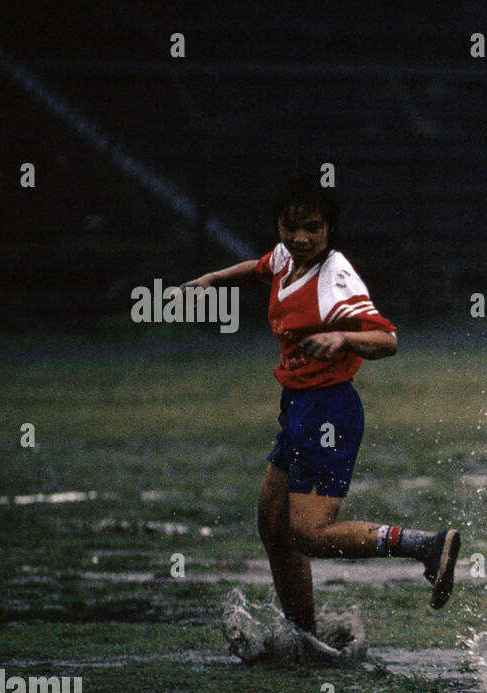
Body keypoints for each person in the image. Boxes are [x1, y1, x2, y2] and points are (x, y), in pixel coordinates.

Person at [182, 175, 460, 654]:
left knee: (308, 534)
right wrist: (211, 280)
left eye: (313, 228)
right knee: (273, 528)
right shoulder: (288, 256)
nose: (301, 238)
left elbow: (387, 340)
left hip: (329, 411)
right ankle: (304, 635)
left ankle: (426, 545)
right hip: (297, 408)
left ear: (331, 229)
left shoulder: (336, 276)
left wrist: (343, 339)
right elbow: (260, 267)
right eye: (291, 226)